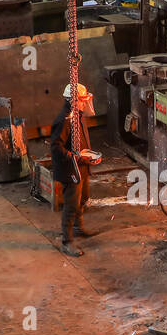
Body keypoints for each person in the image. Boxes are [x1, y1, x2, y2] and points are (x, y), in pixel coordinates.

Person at [50, 83, 100, 257]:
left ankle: (78, 228)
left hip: (81, 167)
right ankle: (67, 241)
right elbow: (56, 147)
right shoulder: (64, 120)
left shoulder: (77, 115)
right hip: (70, 169)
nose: (84, 103)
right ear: (73, 100)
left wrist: (87, 156)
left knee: (83, 198)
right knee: (71, 205)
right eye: (82, 100)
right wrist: (74, 156)